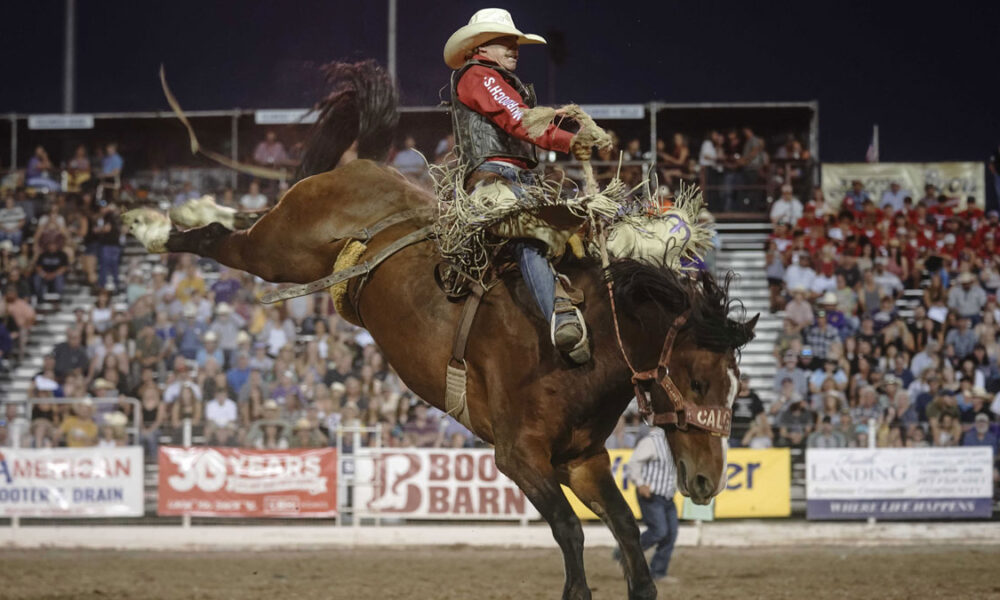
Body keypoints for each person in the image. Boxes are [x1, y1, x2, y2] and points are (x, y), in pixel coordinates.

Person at [444, 8, 607, 364]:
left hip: (522, 180)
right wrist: (569, 140)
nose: (515, 49)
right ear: (481, 47)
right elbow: (518, 120)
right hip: (495, 180)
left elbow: (521, 118)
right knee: (530, 234)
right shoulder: (478, 76)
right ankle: (560, 316)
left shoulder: (494, 79)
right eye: (506, 42)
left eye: (516, 43)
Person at [621, 427, 679, 584]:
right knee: (659, 531)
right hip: (651, 493)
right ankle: (627, 553)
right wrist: (640, 483)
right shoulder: (652, 440)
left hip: (667, 495)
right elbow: (633, 463)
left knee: (670, 535)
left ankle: (658, 572)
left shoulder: (676, 442)